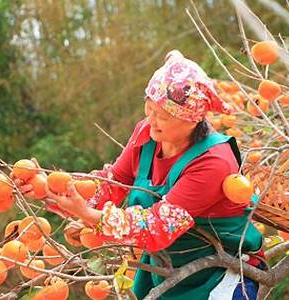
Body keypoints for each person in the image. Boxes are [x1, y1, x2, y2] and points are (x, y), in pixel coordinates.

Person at [21, 50, 264, 300]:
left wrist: (88, 214)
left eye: (163, 116)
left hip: (225, 275)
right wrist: (49, 189)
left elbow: (156, 228)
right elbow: (110, 184)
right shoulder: (147, 134)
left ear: (191, 120)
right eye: (149, 109)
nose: (152, 120)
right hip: (167, 272)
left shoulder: (213, 161)